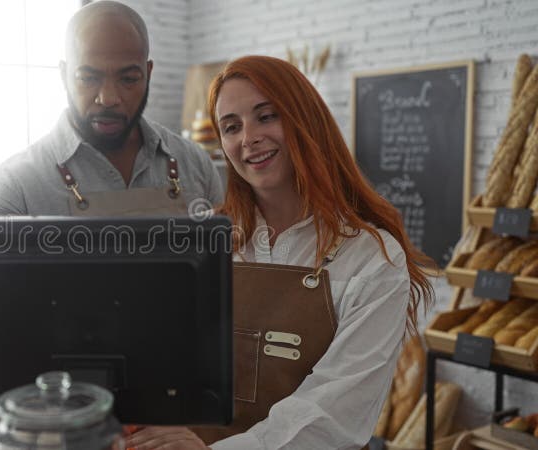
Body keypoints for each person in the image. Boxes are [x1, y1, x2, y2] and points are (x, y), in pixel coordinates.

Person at [124, 56, 435, 450]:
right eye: (231, 127)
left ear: (306, 120)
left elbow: (332, 415)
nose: (248, 138)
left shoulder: (372, 260)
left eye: (266, 116)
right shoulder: (204, 244)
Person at [0, 1, 223, 331]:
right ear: (65, 75)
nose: (108, 97)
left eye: (129, 78)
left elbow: (225, 287)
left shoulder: (195, 165)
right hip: (67, 379)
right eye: (88, 78)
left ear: (148, 73)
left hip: (183, 374)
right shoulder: (13, 186)